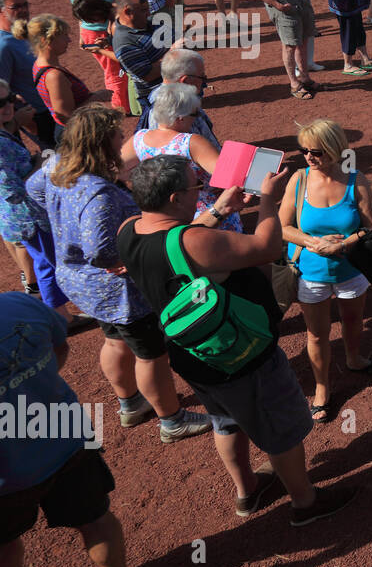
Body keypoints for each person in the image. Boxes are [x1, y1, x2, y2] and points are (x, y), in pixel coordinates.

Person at [117, 156, 358, 526]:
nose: (201, 190)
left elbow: (176, 240)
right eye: (195, 187)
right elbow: (265, 247)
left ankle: (248, 490)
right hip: (238, 351)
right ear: (174, 198)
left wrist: (217, 210)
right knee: (280, 428)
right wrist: (267, 201)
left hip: (192, 353)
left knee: (225, 421)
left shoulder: (130, 229)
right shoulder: (194, 240)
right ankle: (305, 503)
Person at [25, 105, 211, 443]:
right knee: (151, 353)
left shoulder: (55, 166)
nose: (122, 137)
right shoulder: (99, 193)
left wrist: (61, 225)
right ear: (100, 142)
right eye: (116, 134)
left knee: (114, 338)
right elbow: (100, 250)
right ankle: (172, 421)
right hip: (117, 289)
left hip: (80, 282)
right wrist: (124, 258)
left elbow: (33, 191)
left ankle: (131, 404)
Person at [0, 292, 137, 567]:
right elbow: (59, 347)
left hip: (5, 473)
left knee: (3, 542)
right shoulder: (19, 305)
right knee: (94, 518)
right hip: (65, 438)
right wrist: (33, 386)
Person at [279, 119, 372, 422]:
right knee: (316, 334)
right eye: (305, 150)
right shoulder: (298, 180)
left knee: (353, 320)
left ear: (336, 150)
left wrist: (345, 243)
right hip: (310, 274)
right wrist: (313, 241)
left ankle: (353, 358)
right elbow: (283, 227)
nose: (310, 157)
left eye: (318, 152)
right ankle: (322, 388)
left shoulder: (355, 179)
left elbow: (370, 227)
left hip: (350, 269)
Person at [1, 81, 78, 317]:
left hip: (21, 218)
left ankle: (59, 315)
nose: (7, 106)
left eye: (9, 99)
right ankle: (59, 317)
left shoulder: (4, 132)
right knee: (53, 264)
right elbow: (12, 191)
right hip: (29, 217)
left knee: (45, 264)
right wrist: (41, 165)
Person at [121, 82, 241, 232]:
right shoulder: (191, 142)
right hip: (206, 215)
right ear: (180, 118)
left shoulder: (138, 139)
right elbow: (228, 177)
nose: (197, 118)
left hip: (163, 216)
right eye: (195, 114)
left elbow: (118, 171)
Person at [68, 0, 128, 112]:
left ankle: (124, 103)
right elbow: (95, 11)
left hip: (100, 31)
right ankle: (120, 107)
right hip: (99, 33)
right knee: (115, 71)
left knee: (119, 70)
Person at [0, 0, 56, 150]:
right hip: (40, 118)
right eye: (16, 6)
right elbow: (3, 93)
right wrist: (25, 122)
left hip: (53, 109)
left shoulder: (26, 32)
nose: (23, 10)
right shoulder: (3, 46)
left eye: (25, 4)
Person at [19, 15, 90, 138]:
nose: (69, 40)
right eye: (64, 36)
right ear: (45, 40)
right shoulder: (54, 76)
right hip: (75, 136)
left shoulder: (38, 65)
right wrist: (95, 98)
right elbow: (66, 117)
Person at [150, 47, 219, 148]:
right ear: (186, 81)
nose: (204, 82)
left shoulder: (168, 100)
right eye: (202, 77)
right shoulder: (179, 109)